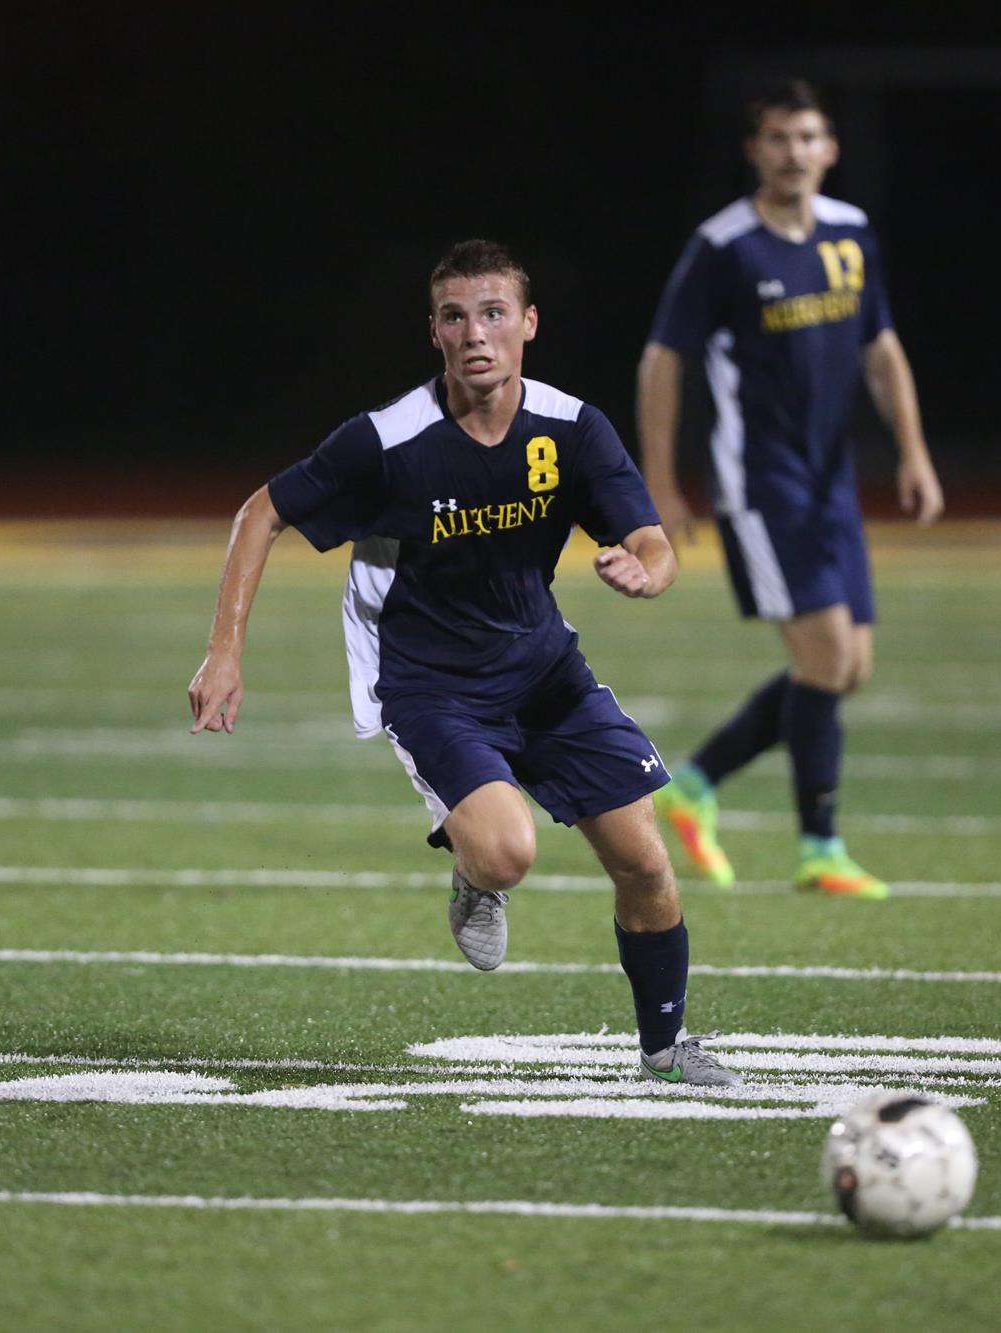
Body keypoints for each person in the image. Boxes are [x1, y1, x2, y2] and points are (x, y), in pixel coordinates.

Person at [187, 239, 740, 1086]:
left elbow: (653, 539)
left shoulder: (571, 426)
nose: (476, 333)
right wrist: (224, 650)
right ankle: (475, 875)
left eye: (493, 314)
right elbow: (261, 512)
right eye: (455, 316)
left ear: (528, 324)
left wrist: (648, 570)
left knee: (648, 865)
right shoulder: (390, 441)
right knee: (508, 851)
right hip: (431, 686)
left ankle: (665, 1046)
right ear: (435, 333)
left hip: (546, 671)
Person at [637, 79, 943, 899]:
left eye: (808, 137)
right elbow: (663, 361)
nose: (794, 152)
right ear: (755, 152)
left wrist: (913, 451)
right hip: (758, 482)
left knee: (849, 667)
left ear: (830, 148)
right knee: (828, 655)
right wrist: (662, 483)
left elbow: (881, 346)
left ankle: (694, 784)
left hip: (830, 477)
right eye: (778, 138)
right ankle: (820, 848)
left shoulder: (851, 233)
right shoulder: (724, 246)